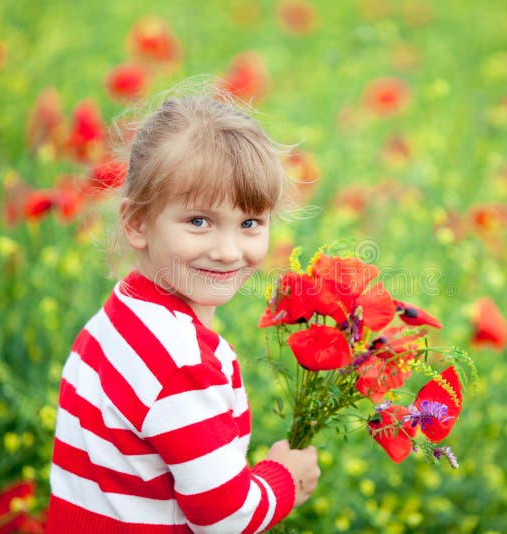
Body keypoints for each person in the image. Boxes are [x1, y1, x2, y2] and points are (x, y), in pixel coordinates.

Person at [45, 86, 320, 532]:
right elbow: (225, 516)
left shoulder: (116, 318)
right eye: (199, 221)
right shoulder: (181, 363)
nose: (229, 251)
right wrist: (284, 478)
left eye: (250, 223)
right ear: (137, 223)